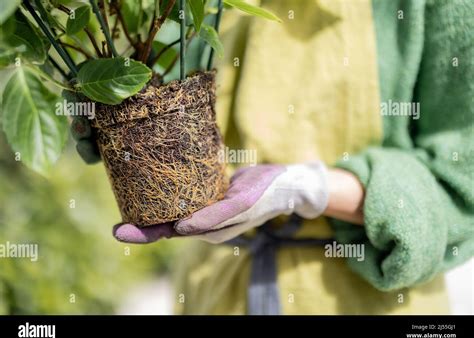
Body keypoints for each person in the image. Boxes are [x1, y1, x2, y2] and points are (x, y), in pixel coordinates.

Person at [73, 0, 473, 314]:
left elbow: (463, 183)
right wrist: (109, 100)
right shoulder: (198, 8)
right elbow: (151, 80)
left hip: (357, 302)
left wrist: (306, 189)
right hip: (213, 292)